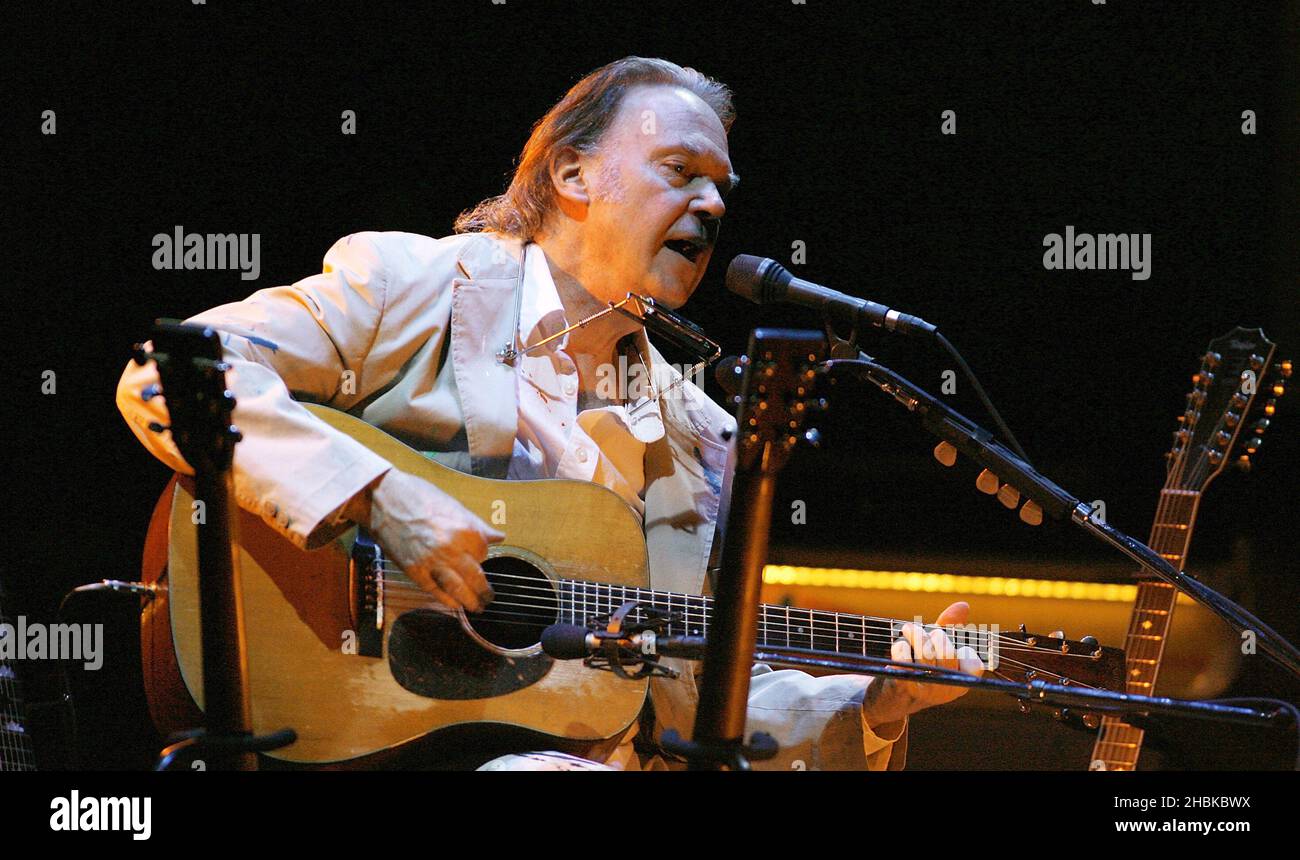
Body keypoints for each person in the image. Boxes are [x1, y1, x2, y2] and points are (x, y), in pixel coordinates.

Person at [117, 57, 983, 770]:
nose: (715, 206)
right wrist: (377, 496)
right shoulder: (408, 290)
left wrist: (877, 703)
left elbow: (696, 692)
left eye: (723, 186)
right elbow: (171, 372)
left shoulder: (699, 433)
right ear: (573, 173)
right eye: (681, 173)